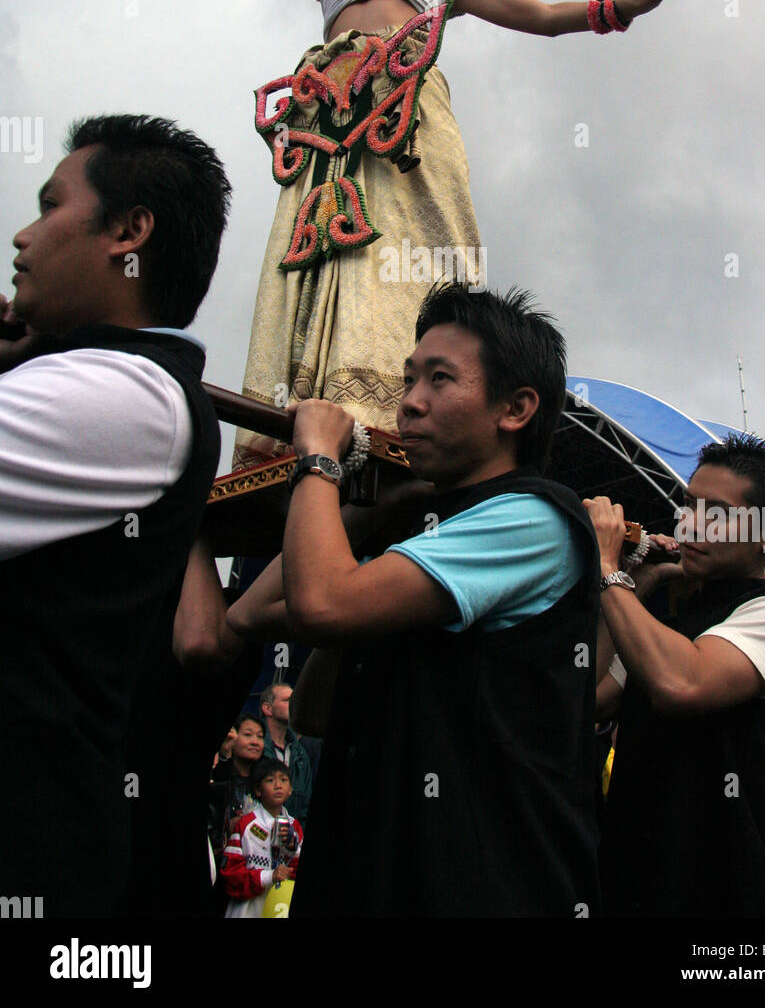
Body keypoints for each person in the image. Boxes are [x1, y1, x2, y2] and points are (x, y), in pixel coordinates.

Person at [149, 0, 687, 452]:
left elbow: (542, 13)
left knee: (411, 236)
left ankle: (398, 393)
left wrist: (623, 7)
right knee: (319, 245)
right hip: (325, 117)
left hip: (405, 107)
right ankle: (304, 404)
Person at [228, 281, 602, 917]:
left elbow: (319, 604)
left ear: (515, 409)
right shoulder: (425, 529)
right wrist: (369, 512)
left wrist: (319, 460)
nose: (409, 406)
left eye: (439, 380)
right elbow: (253, 615)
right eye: (408, 381)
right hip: (370, 874)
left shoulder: (533, 519)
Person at [0, 113, 231, 917]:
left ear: (129, 231)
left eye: (48, 205)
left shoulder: (127, 392)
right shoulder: (80, 375)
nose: (22, 238)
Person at [588, 433, 765, 918]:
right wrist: (638, 585)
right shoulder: (669, 616)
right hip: (642, 886)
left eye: (718, 513)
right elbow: (590, 700)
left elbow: (681, 684)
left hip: (740, 902)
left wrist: (606, 568)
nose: (691, 523)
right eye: (689, 504)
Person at [221, 758, 303, 919]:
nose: (278, 785)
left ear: (291, 789)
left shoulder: (295, 827)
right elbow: (230, 876)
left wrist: (293, 849)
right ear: (258, 790)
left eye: (283, 780)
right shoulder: (246, 824)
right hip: (248, 908)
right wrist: (268, 877)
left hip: (281, 906)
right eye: (270, 780)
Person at [259, 681, 313, 824]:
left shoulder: (300, 755)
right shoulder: (256, 749)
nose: (294, 705)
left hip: (293, 839)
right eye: (288, 700)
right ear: (268, 708)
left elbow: (306, 806)